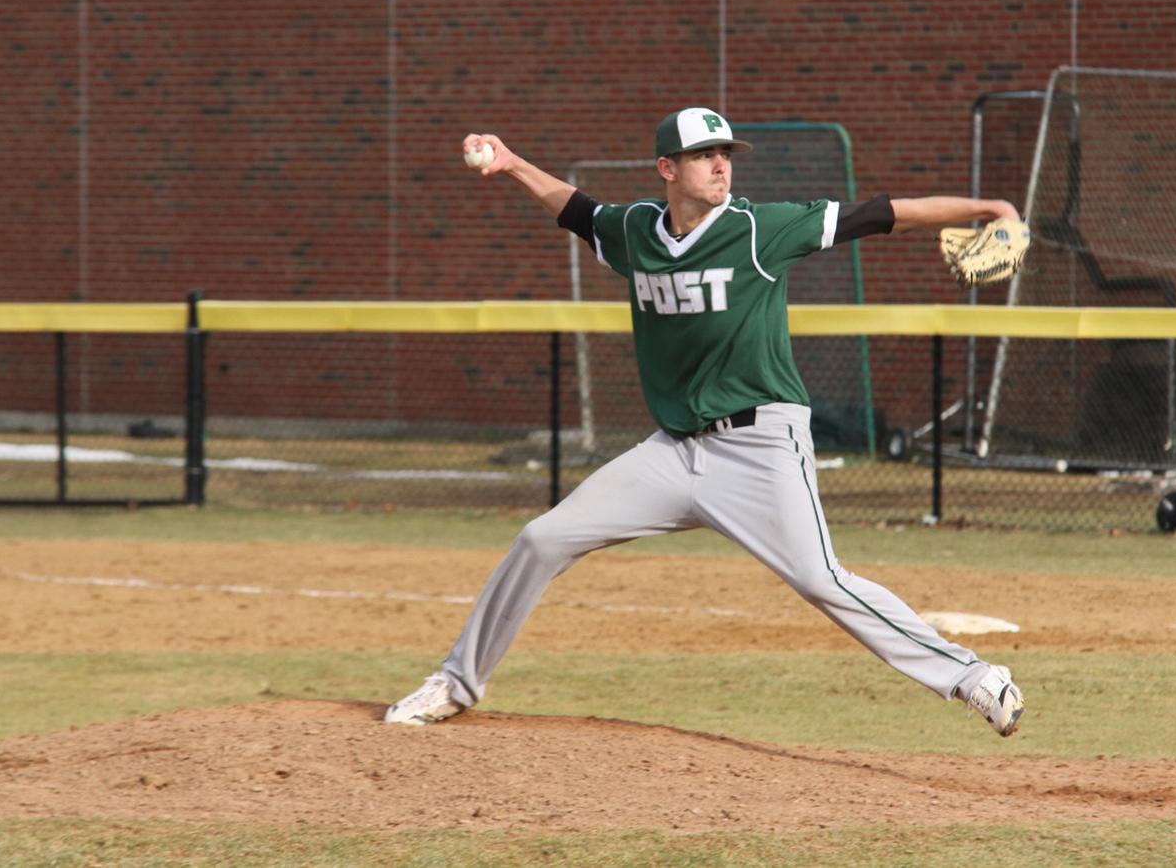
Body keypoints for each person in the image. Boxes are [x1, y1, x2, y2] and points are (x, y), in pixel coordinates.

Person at [384, 107, 1026, 736]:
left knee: (820, 579)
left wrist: (990, 209)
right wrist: (513, 163)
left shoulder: (759, 228)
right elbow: (577, 209)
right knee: (542, 539)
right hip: (672, 452)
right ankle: (455, 684)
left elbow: (883, 214)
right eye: (704, 155)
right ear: (667, 167)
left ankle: (973, 678)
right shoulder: (635, 230)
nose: (722, 165)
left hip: (760, 445)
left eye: (726, 154)